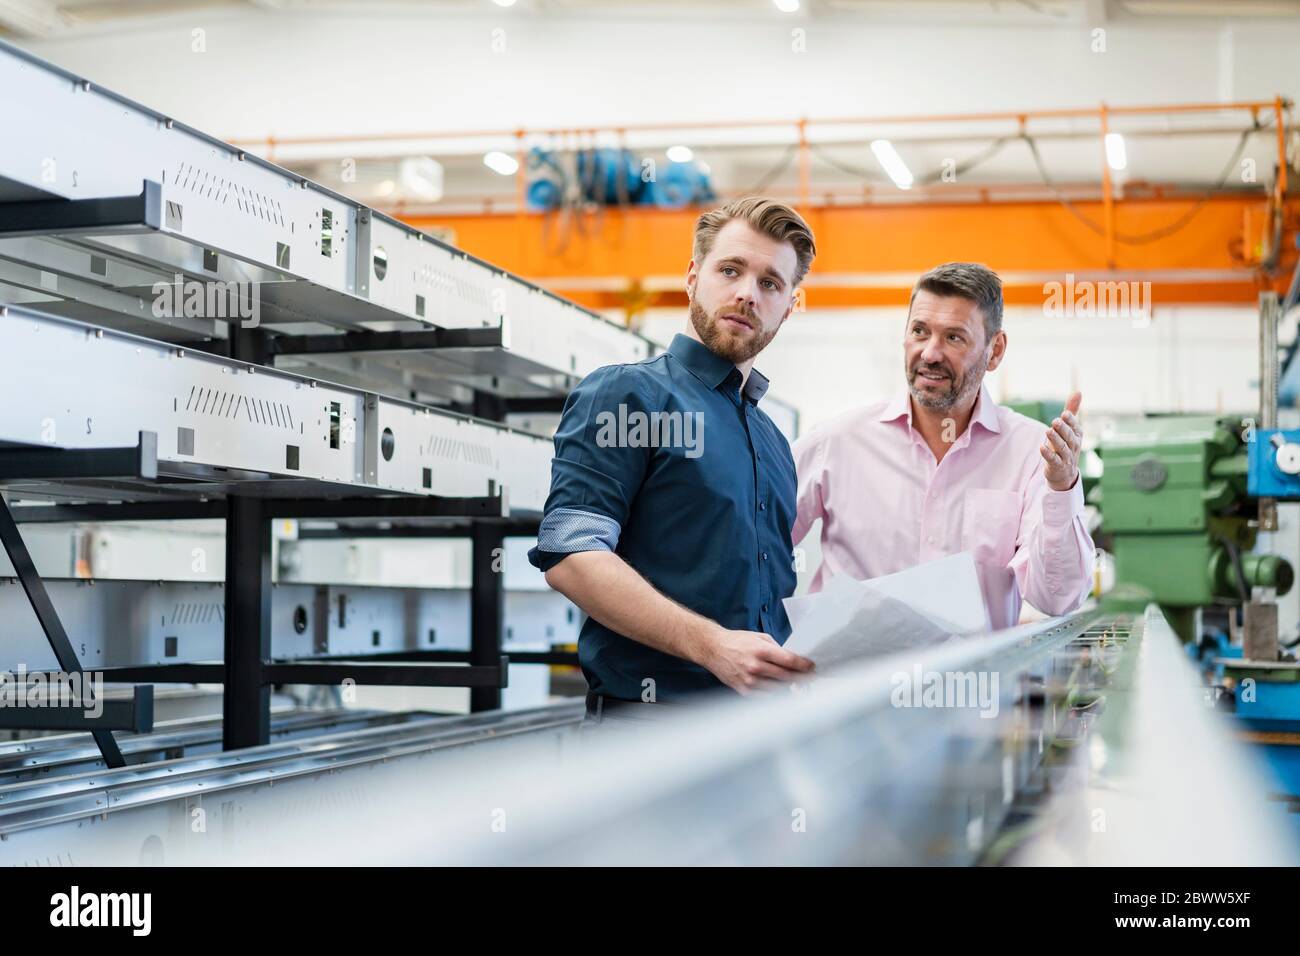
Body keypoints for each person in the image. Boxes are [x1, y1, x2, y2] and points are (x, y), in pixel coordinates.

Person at [529, 197, 817, 723]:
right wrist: (712, 646)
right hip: (647, 731)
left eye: (770, 283)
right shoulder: (627, 396)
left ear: (790, 306)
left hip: (758, 732)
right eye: (729, 270)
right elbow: (570, 553)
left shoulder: (774, 442)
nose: (746, 294)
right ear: (692, 277)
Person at [793, 262, 1094, 630]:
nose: (931, 353)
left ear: (995, 350)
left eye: (954, 337)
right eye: (920, 331)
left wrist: (1061, 487)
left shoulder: (1032, 454)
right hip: (850, 682)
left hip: (973, 683)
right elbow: (754, 546)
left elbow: (1057, 597)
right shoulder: (834, 444)